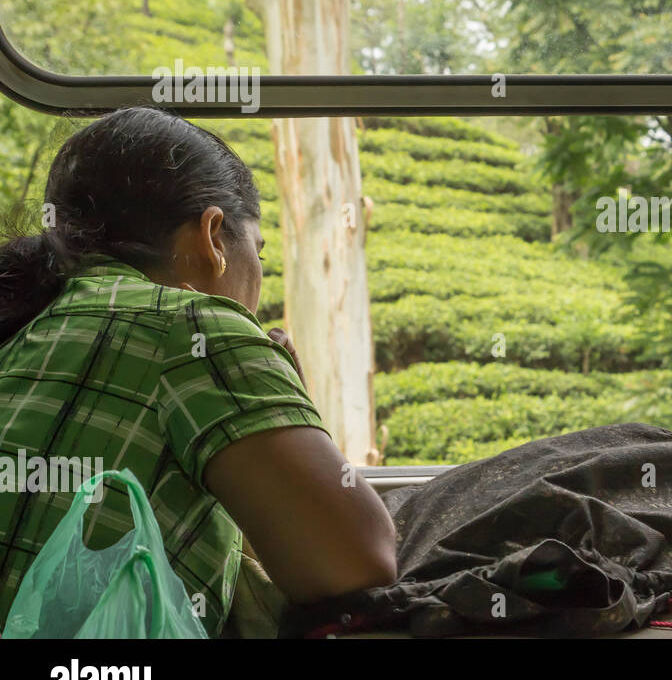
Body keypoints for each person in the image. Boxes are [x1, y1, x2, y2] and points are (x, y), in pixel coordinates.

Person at [0, 106, 396, 637]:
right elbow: (356, 561)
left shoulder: (28, 321)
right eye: (258, 254)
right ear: (213, 237)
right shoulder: (195, 327)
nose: (258, 284)